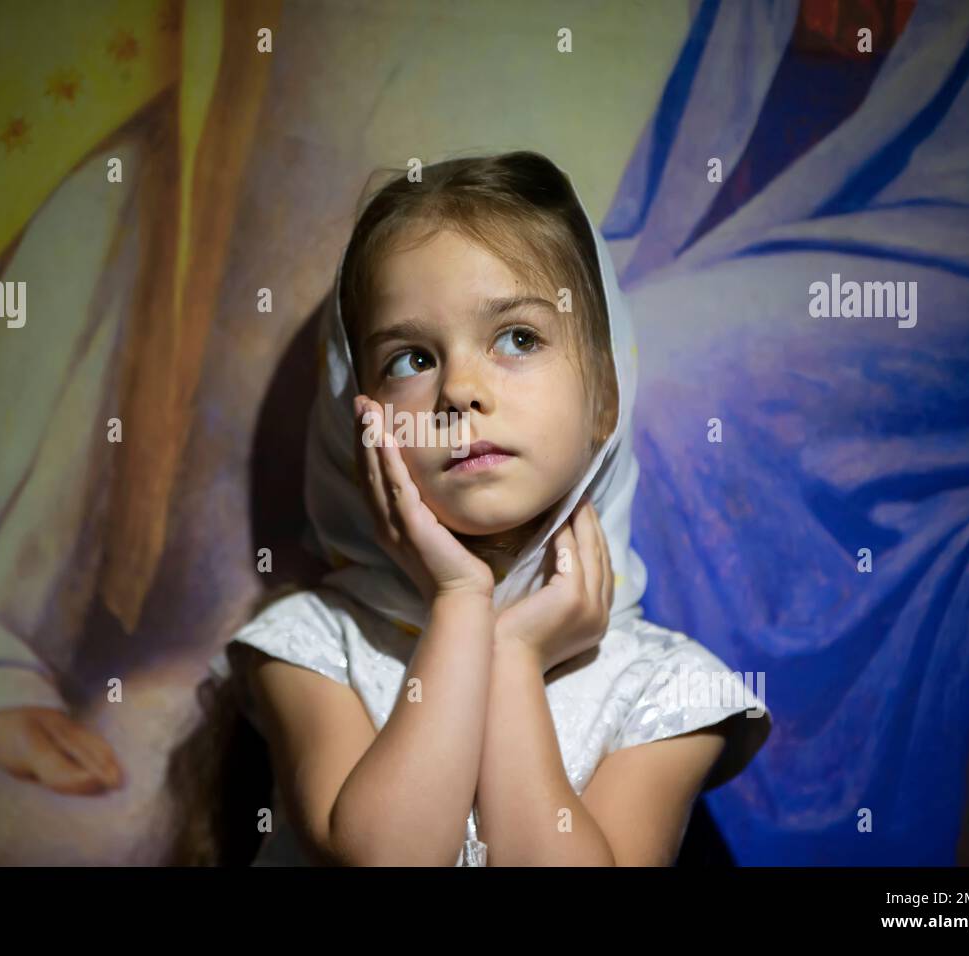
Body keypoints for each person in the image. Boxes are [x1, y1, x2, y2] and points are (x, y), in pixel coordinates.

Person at [201, 151, 772, 866]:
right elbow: (387, 858)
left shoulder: (666, 692)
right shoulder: (311, 647)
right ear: (358, 424)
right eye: (411, 357)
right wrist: (461, 600)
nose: (460, 392)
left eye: (518, 338)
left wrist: (513, 655)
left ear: (605, 395)